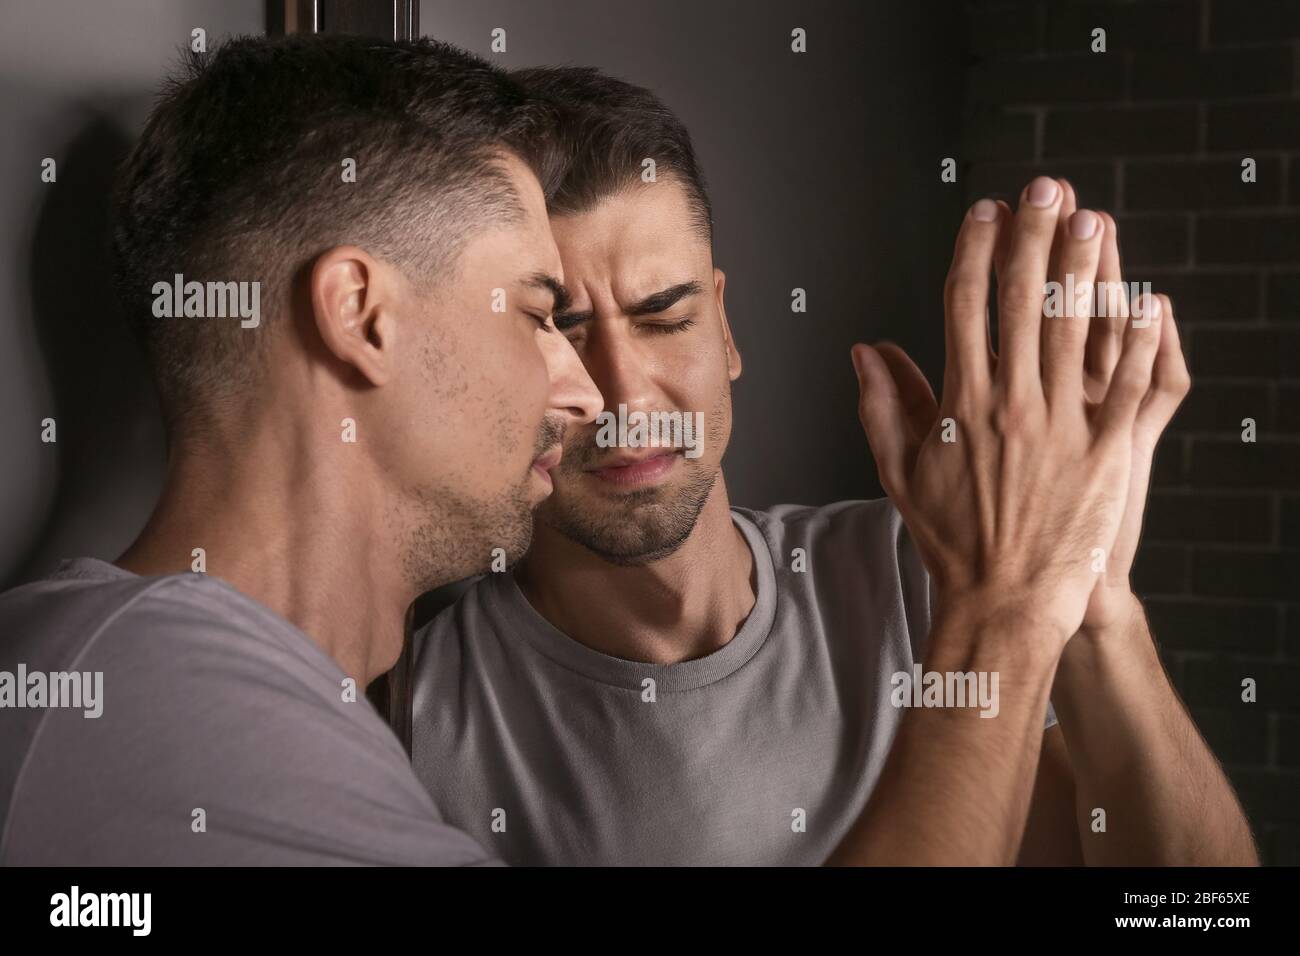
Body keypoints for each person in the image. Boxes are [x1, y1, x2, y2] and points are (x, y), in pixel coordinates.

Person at [410, 67, 1257, 866]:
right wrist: (1008, 604)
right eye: (560, 331)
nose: (626, 395)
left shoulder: (923, 572)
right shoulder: (418, 721)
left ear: (727, 328)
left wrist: (1091, 592)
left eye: (665, 318)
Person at [0, 35, 600, 865]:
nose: (585, 394)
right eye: (536, 315)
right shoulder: (183, 720)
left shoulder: (104, 665)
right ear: (360, 315)